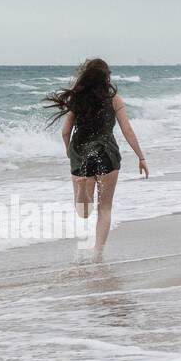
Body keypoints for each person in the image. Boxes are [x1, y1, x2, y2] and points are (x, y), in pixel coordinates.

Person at [45, 58, 148, 259]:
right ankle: (98, 253)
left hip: (81, 154)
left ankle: (82, 189)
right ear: (106, 77)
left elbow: (65, 132)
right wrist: (141, 157)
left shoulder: (78, 99)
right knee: (105, 208)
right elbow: (127, 129)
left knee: (83, 212)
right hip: (106, 153)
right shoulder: (114, 99)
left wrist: (70, 153)